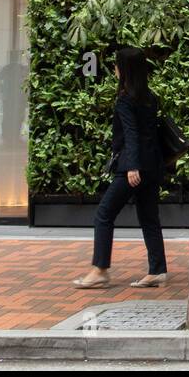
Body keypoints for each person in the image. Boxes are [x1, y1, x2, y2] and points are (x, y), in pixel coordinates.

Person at [73, 47, 168, 289]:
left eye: (116, 65)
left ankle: (100, 269)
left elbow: (131, 134)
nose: (114, 69)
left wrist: (132, 166)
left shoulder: (126, 99)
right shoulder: (150, 97)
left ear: (124, 69)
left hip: (132, 167)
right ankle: (157, 270)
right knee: (149, 218)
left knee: (103, 215)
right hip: (153, 166)